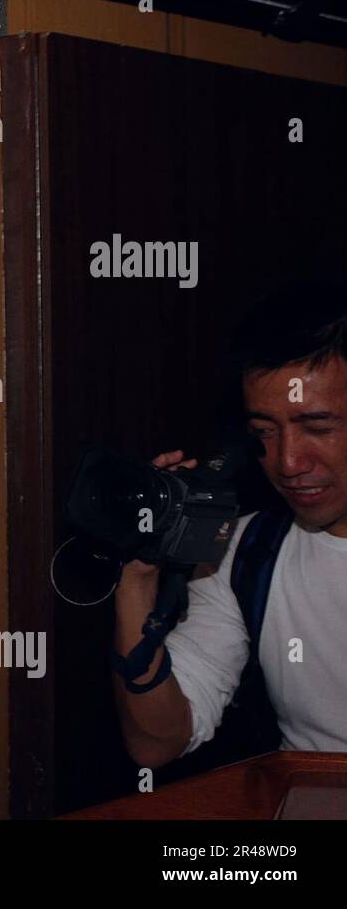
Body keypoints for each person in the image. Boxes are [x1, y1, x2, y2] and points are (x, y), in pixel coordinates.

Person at [113, 282, 347, 767]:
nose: (286, 461)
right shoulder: (247, 551)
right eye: (264, 431)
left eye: (318, 428)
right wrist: (137, 577)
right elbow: (158, 741)